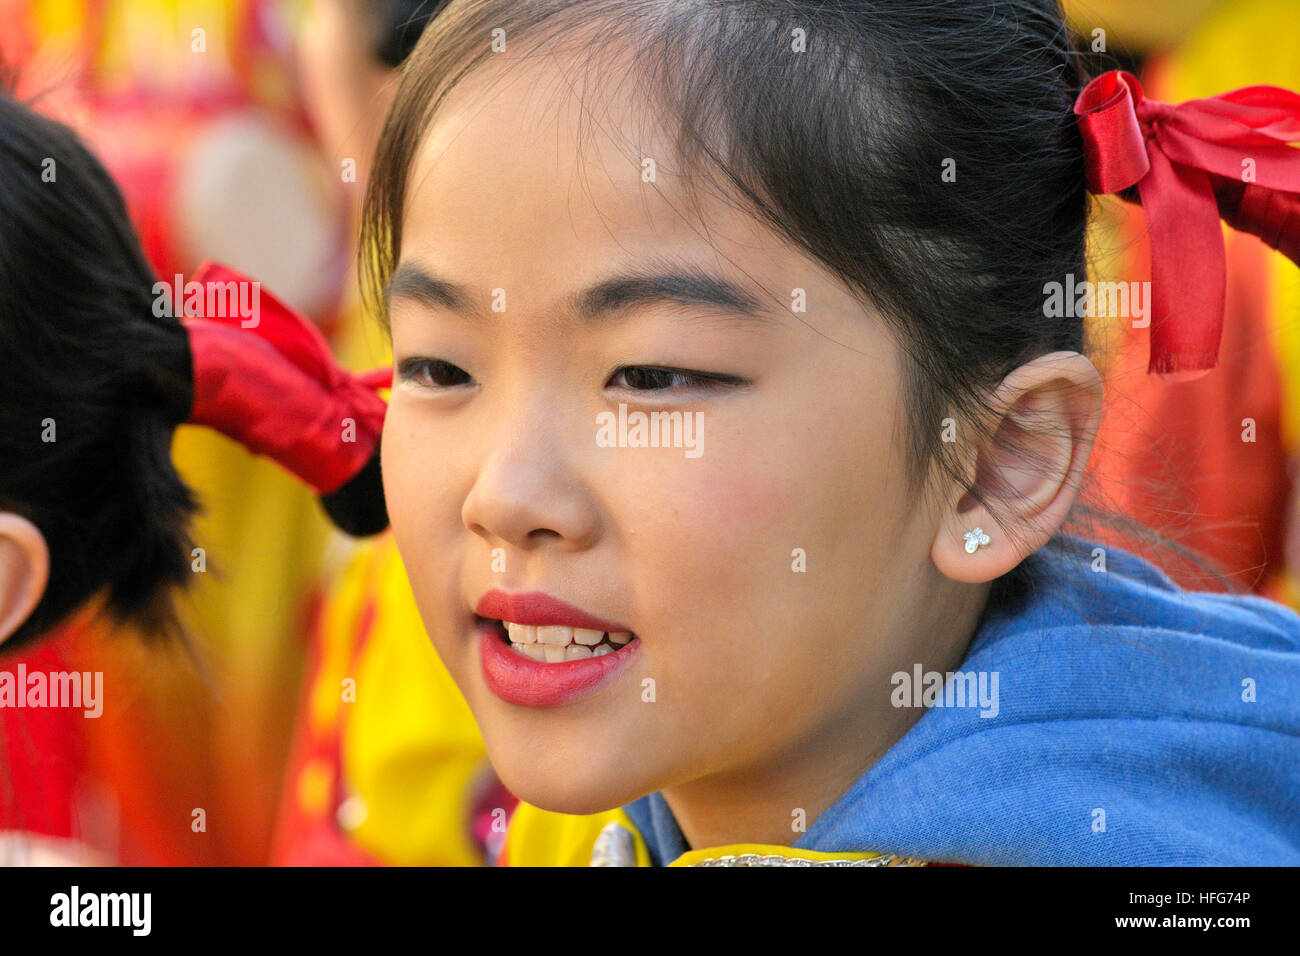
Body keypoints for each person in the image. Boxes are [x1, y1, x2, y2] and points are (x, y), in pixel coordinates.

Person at [357, 0, 1300, 865]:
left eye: (651, 376)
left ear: (996, 465)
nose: (506, 496)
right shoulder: (594, 819)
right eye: (441, 367)